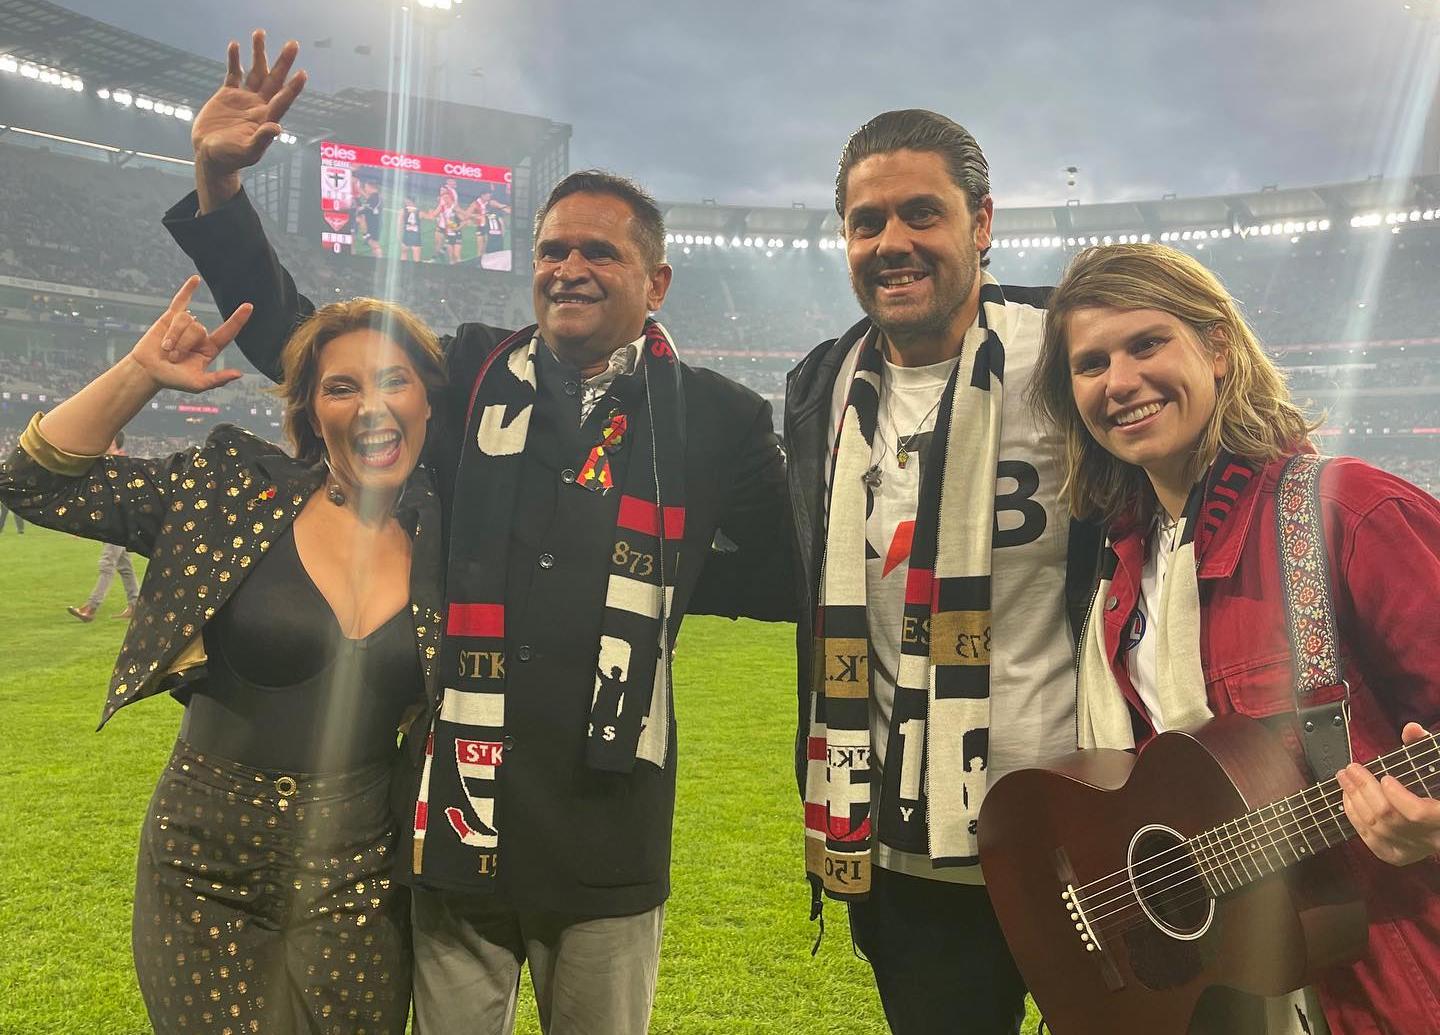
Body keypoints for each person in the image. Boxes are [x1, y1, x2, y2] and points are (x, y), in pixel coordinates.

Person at [163, 32, 791, 1035]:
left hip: (607, 827)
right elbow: (310, 335)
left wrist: (646, 575)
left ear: (656, 283)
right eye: (552, 250)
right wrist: (220, 194)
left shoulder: (716, 416)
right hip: (456, 816)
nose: (569, 268)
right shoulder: (466, 372)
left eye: (600, 252)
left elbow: (785, 576)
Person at [0, 277, 447, 1035]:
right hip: (206, 859)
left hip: (362, 865)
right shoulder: (235, 492)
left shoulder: (451, 537)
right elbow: (31, 482)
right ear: (311, 411)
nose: (371, 405)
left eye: (393, 380)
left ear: (427, 401)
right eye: (341, 387)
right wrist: (140, 370)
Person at [1029, 242, 1440, 1034]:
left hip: (1387, 986)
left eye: (1147, 343)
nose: (1121, 382)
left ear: (1218, 348)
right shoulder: (1124, 566)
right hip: (1225, 990)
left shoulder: (1348, 511)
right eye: (1090, 362)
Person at [784, 109, 1099, 1035]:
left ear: (983, 222)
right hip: (907, 851)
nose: (893, 243)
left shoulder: (1070, 350)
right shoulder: (824, 384)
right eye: (866, 221)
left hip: (1085, 827)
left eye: (922, 213)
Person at [66, 432, 140, 621]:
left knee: (107, 563)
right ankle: (135, 605)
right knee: (124, 565)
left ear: (113, 442)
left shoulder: (121, 464)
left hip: (119, 522)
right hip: (114, 520)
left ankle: (90, 608)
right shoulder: (107, 463)